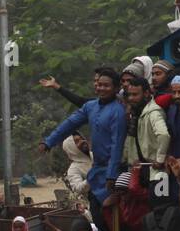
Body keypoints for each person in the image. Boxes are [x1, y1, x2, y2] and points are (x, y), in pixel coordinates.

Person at [41, 68, 127, 221]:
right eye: (99, 84)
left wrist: (112, 174)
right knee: (96, 213)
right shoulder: (90, 107)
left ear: (115, 88)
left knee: (115, 217)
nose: (101, 88)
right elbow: (68, 124)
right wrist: (49, 142)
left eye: (106, 85)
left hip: (113, 172)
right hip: (96, 171)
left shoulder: (118, 111)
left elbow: (117, 145)